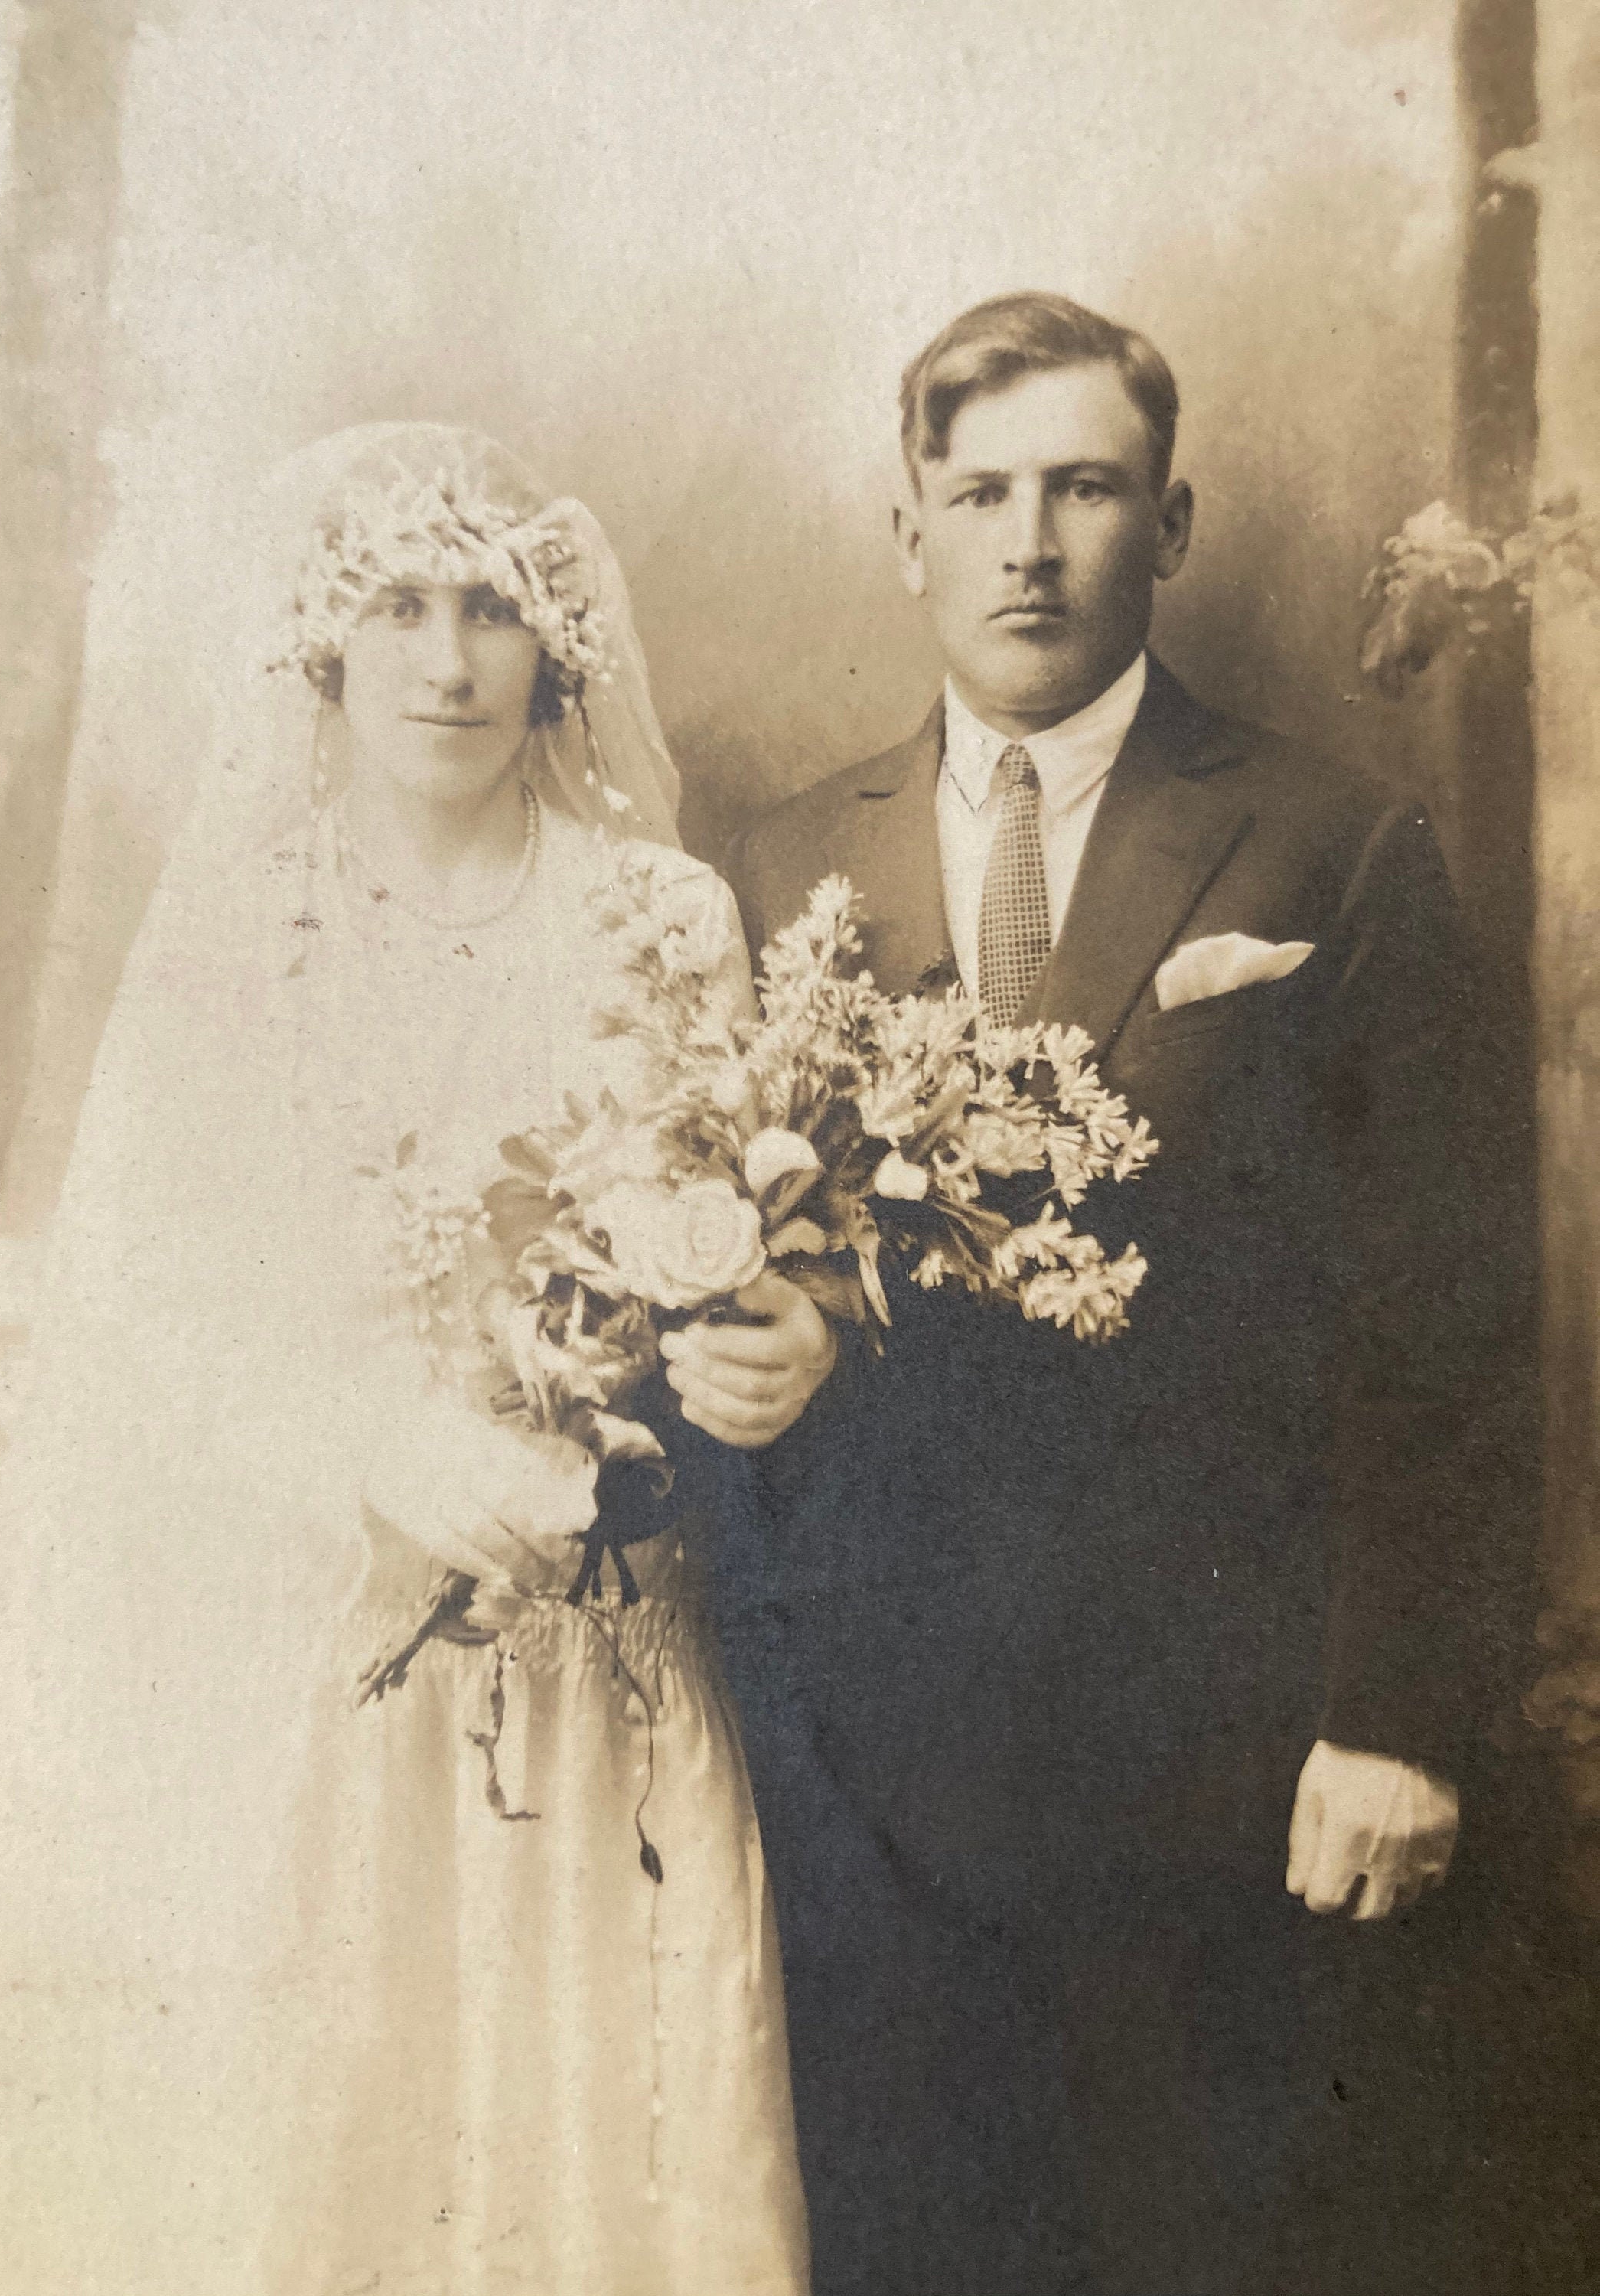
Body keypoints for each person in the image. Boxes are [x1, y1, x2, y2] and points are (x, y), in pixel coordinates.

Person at [664, 294, 1525, 2293]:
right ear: (907, 536)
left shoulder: (1336, 845)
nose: (1029, 543)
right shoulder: (784, 861)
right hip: (873, 1776)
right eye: (978, 493)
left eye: (1085, 488)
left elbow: (1452, 1333)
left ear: (1175, 522)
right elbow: (731, 1256)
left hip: (1216, 1757)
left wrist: (1400, 1717)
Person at [0, 423, 809, 2296]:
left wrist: (639, 1396)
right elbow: (149, 1305)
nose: (448, 660)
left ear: (557, 642)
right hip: (292, 1632)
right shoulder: (244, 928)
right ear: (327, 638)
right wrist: (377, 1446)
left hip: (580, 1636)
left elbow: (722, 1245)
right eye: (400, 604)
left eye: (490, 607)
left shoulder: (661, 919)